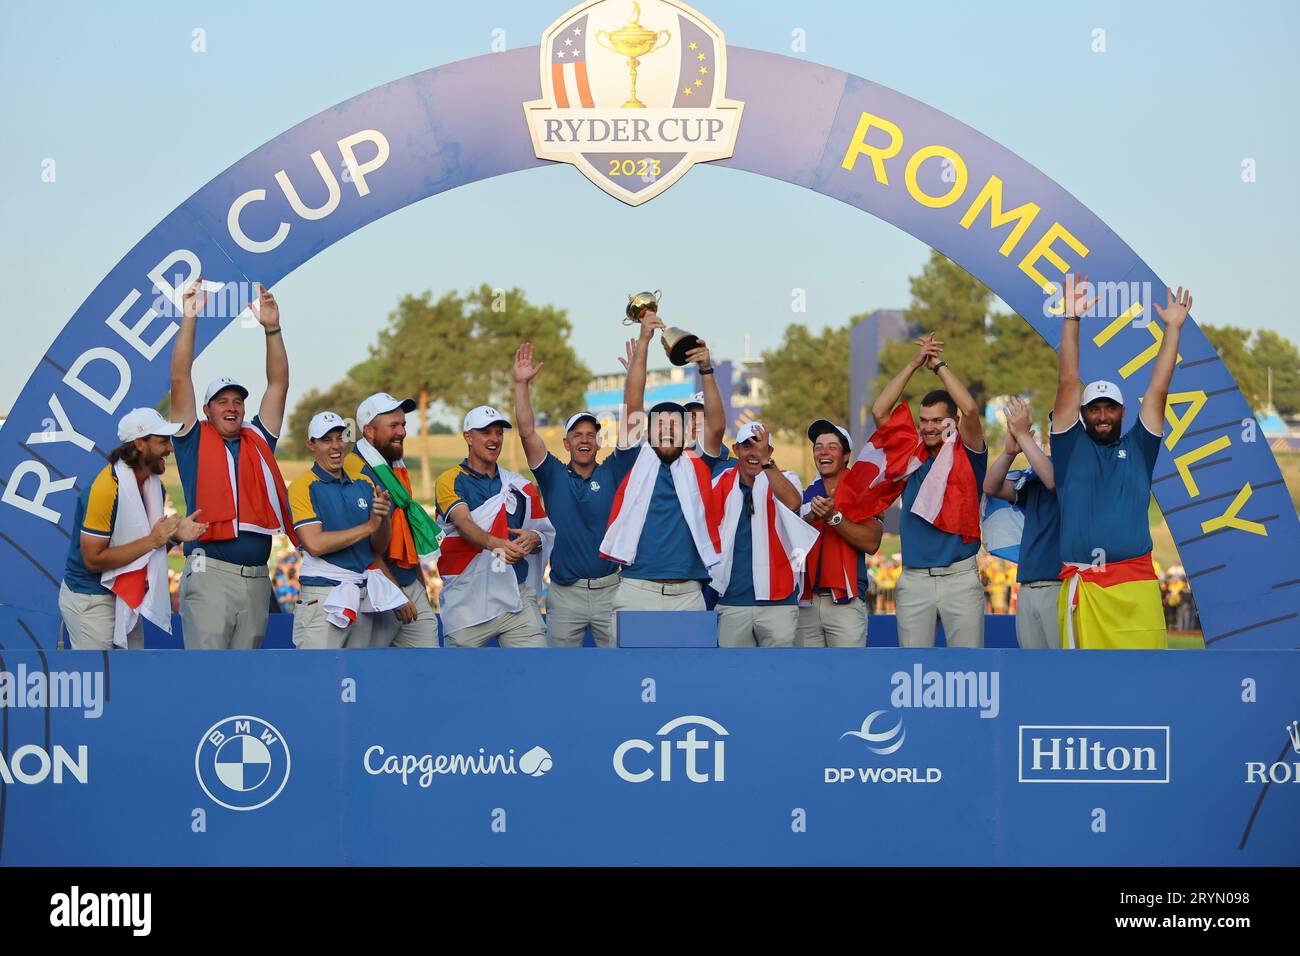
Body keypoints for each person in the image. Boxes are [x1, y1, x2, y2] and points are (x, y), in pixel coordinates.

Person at [1051, 275, 1191, 649]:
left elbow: (1158, 390)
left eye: (1109, 408)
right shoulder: (1068, 448)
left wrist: (1172, 330)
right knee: (1085, 694)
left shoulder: (1141, 448)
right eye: (1093, 408)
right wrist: (1071, 317)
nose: (1101, 415)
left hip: (1136, 587)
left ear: (1121, 412)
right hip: (1086, 589)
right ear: (1081, 413)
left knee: (1144, 686)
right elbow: (1068, 380)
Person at [170, 279, 296, 649]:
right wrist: (189, 318)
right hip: (211, 575)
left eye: (237, 401)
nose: (231, 406)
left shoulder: (257, 438)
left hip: (257, 579)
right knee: (209, 679)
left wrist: (272, 329)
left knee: (246, 682)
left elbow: (278, 385)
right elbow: (180, 376)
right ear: (206, 410)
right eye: (221, 401)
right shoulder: (192, 439)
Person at [601, 313, 725, 645]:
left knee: (690, 683)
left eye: (676, 424)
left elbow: (716, 426)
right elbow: (632, 403)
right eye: (660, 423)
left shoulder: (699, 464)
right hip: (635, 589)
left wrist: (707, 370)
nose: (668, 428)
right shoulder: (633, 460)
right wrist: (643, 341)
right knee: (626, 681)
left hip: (689, 595)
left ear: (688, 433)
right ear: (646, 431)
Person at [871, 333, 987, 648]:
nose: (929, 427)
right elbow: (881, 412)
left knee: (970, 672)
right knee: (913, 671)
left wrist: (938, 366)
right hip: (914, 579)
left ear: (954, 421)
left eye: (938, 420)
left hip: (959, 579)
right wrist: (913, 364)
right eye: (924, 420)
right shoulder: (910, 454)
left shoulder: (969, 452)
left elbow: (972, 410)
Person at [60, 408, 207, 650]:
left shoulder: (154, 487)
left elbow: (142, 549)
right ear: (140, 444)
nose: (170, 449)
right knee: (105, 681)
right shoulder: (105, 490)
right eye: (162, 442)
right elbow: (93, 560)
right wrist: (154, 540)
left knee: (127, 678)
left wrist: (173, 538)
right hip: (90, 596)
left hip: (125, 596)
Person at [513, 343, 622, 647]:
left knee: (617, 671)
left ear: (599, 442)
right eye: (577, 435)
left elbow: (633, 431)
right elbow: (526, 433)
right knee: (560, 671)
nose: (584, 440)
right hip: (565, 592)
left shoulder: (612, 471)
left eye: (591, 435)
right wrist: (522, 385)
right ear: (566, 442)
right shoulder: (553, 475)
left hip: (611, 589)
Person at [435, 406, 554, 648]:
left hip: (516, 598)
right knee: (460, 680)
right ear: (468, 437)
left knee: (535, 673)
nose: (494, 439)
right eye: (486, 432)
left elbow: (544, 531)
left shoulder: (520, 486)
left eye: (498, 433)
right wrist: (497, 545)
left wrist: (535, 539)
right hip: (467, 600)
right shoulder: (449, 480)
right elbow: (462, 521)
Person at [287, 412, 402, 649]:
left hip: (360, 592)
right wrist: (369, 526)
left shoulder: (365, 483)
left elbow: (377, 547)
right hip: (322, 595)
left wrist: (382, 519)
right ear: (312, 445)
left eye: (340, 438)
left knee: (357, 676)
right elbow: (315, 544)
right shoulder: (302, 486)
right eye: (326, 440)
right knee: (318, 676)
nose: (336, 446)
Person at [707, 422, 816, 647]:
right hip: (731, 602)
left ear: (770, 452)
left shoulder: (786, 478)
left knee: (779, 677)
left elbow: (794, 501)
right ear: (735, 450)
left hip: (779, 603)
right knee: (734, 677)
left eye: (761, 447)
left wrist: (767, 464)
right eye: (747, 446)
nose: (754, 453)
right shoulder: (720, 482)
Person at [349, 392, 440, 648]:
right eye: (393, 425)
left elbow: (408, 534)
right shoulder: (355, 471)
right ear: (369, 431)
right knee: (368, 672)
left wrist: (419, 587)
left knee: (428, 666)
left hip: (406, 585)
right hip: (374, 590)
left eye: (403, 424)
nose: (402, 432)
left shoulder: (395, 469)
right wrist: (395, 595)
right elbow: (364, 547)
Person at [797, 421, 885, 647]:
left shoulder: (863, 493)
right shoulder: (806, 494)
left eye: (832, 447)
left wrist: (834, 518)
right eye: (818, 447)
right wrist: (808, 518)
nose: (823, 452)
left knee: (849, 676)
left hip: (846, 604)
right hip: (805, 603)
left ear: (846, 455)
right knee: (809, 679)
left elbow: (872, 542)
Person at [983, 396, 1061, 648]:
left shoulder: (1076, 470)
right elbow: (991, 486)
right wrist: (1009, 451)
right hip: (1028, 584)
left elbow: (1052, 479)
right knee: (1032, 669)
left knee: (1065, 670)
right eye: (1055, 428)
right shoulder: (1037, 474)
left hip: (1062, 585)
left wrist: (1024, 437)